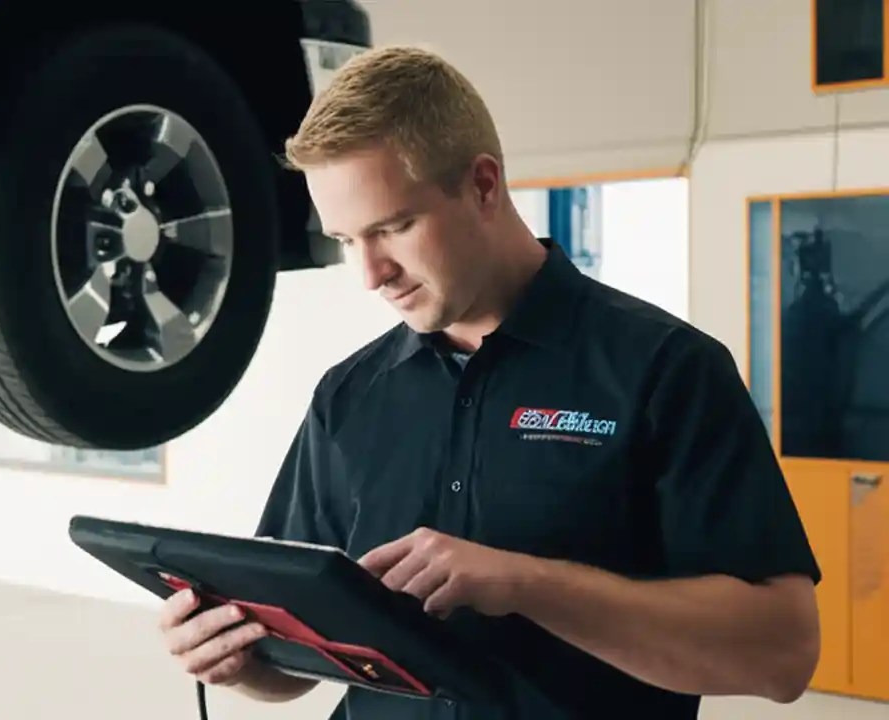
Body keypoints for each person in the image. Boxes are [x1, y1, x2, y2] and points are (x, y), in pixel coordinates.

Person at [156, 45, 822, 719]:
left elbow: (782, 654)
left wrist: (523, 582)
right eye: (347, 239)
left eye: (392, 227)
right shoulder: (347, 397)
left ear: (482, 185)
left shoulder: (666, 372)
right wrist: (238, 655)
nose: (371, 273)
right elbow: (300, 662)